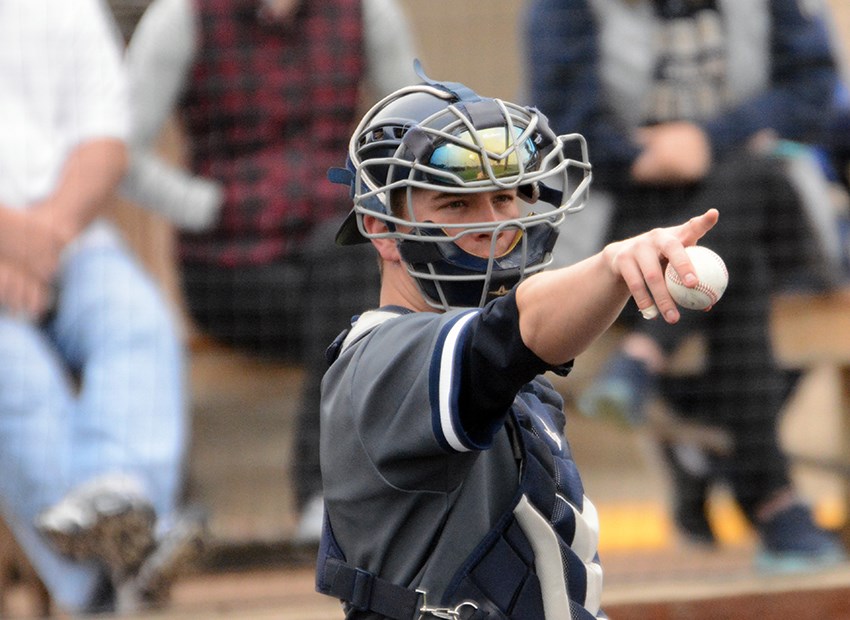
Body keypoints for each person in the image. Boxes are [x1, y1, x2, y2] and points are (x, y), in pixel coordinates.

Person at [313, 65, 722, 619]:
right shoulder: (379, 358)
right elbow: (511, 332)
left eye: (507, 199)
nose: (496, 225)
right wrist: (612, 266)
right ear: (384, 229)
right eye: (457, 205)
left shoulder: (518, 383)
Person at [525, 0, 847, 570]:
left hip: (762, 200)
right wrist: (637, 156)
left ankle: (651, 366)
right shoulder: (563, 8)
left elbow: (814, 88)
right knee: (734, 267)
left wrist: (709, 139)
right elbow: (554, 121)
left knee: (745, 187)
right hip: (630, 213)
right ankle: (773, 502)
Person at [124, 0, 418, 543]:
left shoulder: (366, 13)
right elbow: (119, 148)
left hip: (331, 255)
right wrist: (204, 206)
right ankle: (328, 492)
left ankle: (328, 496)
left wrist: (377, 192)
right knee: (361, 300)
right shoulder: (182, 18)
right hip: (228, 271)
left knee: (354, 266)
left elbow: (418, 128)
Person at [0, 0, 198, 615]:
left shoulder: (65, 9)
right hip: (29, 248)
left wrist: (44, 238)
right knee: (17, 379)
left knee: (139, 322)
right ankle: (108, 583)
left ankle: (120, 494)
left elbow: (105, 142)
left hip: (71, 243)